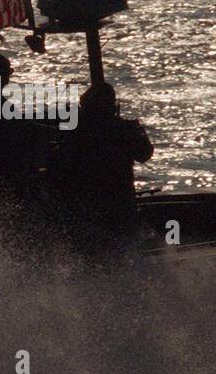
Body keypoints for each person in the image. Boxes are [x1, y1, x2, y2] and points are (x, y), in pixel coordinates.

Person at [56, 82, 153, 258]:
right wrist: (138, 131)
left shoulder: (77, 131)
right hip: (114, 205)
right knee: (122, 252)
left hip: (90, 206)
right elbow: (145, 153)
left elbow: (61, 167)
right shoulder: (120, 129)